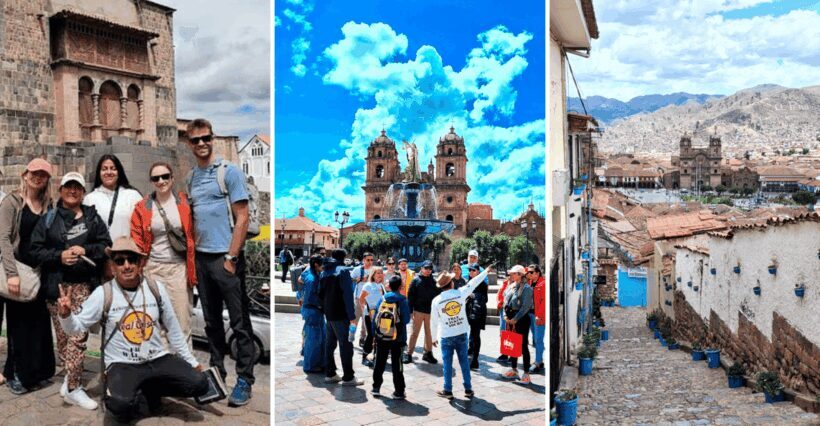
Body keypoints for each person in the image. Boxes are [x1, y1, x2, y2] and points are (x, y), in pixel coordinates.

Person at [56, 237, 208, 421]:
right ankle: (132, 392)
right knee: (120, 405)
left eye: (132, 260)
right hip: (122, 363)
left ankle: (149, 390)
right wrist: (65, 315)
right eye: (120, 261)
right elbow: (76, 328)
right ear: (112, 267)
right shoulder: (104, 293)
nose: (126, 266)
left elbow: (173, 330)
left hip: (157, 358)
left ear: (140, 263)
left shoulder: (155, 288)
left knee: (199, 383)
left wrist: (191, 362)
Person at [185, 118, 255, 406]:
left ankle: (245, 380)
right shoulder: (191, 178)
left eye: (206, 138)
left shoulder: (229, 172)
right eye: (196, 140)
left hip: (226, 258)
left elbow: (243, 216)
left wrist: (231, 257)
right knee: (212, 322)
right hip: (202, 259)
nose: (202, 143)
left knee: (240, 324)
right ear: (189, 144)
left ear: (212, 139)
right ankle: (217, 374)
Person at [31, 171, 112, 409]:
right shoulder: (49, 218)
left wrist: (85, 250)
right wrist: (59, 255)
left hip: (83, 285)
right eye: (68, 186)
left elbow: (105, 246)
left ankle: (74, 387)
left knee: (78, 337)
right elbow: (34, 251)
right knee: (65, 340)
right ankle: (70, 378)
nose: (72, 190)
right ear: (61, 190)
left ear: (82, 192)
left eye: (77, 186)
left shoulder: (92, 217)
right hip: (56, 285)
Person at [0, 158, 56, 395]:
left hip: (38, 273)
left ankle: (38, 372)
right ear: (25, 175)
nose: (38, 177)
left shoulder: (48, 204)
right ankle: (17, 374)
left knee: (39, 325)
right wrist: (12, 274)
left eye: (43, 174)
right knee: (18, 326)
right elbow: (3, 238)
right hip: (19, 271)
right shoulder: (12, 202)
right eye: (34, 173)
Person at [130, 162, 197, 352]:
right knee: (155, 325)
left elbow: (194, 233)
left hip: (178, 269)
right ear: (151, 181)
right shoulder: (142, 207)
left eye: (165, 176)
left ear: (172, 178)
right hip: (152, 269)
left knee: (182, 322)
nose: (161, 181)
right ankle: (163, 371)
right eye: (156, 178)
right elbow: (137, 241)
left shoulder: (185, 203)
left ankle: (185, 373)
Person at [430, 266, 491, 399]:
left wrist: (433, 337)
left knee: (447, 364)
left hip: (446, 335)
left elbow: (433, 321)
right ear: (451, 283)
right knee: (464, 361)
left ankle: (448, 389)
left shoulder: (436, 301)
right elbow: (474, 282)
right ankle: (468, 388)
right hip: (462, 333)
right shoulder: (460, 293)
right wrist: (486, 271)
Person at [84, 155, 142, 279]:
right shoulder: (90, 198)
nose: (109, 172)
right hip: (103, 259)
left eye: (113, 168)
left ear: (119, 171)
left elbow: (142, 227)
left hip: (128, 258)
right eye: (104, 169)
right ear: (99, 173)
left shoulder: (132, 195)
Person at [319, 248, 363, 386]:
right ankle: (348, 377)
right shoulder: (343, 271)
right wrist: (351, 316)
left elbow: (320, 294)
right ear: (344, 257)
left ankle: (330, 373)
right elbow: (347, 296)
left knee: (330, 344)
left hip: (329, 314)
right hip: (341, 314)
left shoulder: (324, 272)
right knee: (346, 345)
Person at [370, 275, 410, 399]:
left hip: (381, 336)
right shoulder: (402, 300)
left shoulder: (382, 298)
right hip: (397, 337)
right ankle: (399, 391)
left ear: (389, 286)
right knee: (396, 364)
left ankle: (376, 388)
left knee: (380, 361)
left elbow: (375, 317)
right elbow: (406, 320)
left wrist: (374, 335)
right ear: (400, 286)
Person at [501, 265, 533, 384]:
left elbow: (525, 306)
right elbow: (505, 302)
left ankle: (526, 372)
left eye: (514, 273)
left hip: (521, 319)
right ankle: (514, 369)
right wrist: (505, 315)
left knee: (523, 346)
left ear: (520, 275)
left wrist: (515, 319)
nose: (511, 275)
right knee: (512, 344)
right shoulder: (511, 286)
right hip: (510, 318)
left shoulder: (527, 289)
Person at [404, 260, 440, 364]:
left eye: (430, 269)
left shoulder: (434, 282)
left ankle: (428, 353)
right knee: (414, 333)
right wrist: (410, 311)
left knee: (429, 334)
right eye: (426, 268)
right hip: (418, 311)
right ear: (422, 268)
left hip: (430, 312)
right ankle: (409, 353)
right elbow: (410, 297)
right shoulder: (415, 281)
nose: (428, 270)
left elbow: (439, 296)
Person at [299, 255, 325, 373]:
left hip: (312, 310)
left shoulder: (310, 274)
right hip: (313, 310)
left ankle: (316, 362)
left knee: (317, 337)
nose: (323, 266)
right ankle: (309, 366)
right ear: (316, 265)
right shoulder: (312, 279)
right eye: (322, 264)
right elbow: (310, 297)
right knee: (313, 339)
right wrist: (321, 305)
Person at [358, 266, 385, 367]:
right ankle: (364, 356)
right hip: (369, 315)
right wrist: (365, 310)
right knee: (370, 335)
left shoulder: (381, 286)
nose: (380, 275)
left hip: (379, 315)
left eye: (381, 273)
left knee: (378, 336)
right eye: (378, 273)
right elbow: (361, 299)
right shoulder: (368, 285)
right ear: (373, 274)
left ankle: (375, 355)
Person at [465, 263, 488, 370]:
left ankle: (475, 360)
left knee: (476, 334)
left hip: (478, 313)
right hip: (469, 311)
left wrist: (474, 296)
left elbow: (486, 299)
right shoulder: (469, 282)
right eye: (470, 270)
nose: (471, 272)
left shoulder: (483, 284)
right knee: (471, 333)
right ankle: (470, 349)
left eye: (473, 270)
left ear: (478, 272)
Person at [351, 252, 374, 347]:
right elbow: (350, 279)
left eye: (372, 260)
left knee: (366, 321)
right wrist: (360, 279)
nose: (370, 262)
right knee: (354, 320)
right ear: (363, 260)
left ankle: (362, 338)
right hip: (358, 299)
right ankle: (350, 337)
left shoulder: (374, 270)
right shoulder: (357, 269)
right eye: (368, 260)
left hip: (369, 300)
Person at [528, 264, 546, 374]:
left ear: (537, 273)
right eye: (528, 272)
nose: (529, 274)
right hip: (530, 314)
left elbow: (544, 302)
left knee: (538, 339)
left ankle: (538, 361)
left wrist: (540, 316)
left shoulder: (543, 284)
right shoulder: (530, 283)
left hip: (537, 316)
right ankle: (539, 360)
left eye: (531, 272)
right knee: (534, 339)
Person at [496, 276, 511, 364]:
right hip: (503, 310)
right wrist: (499, 302)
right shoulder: (505, 284)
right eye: (509, 275)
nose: (510, 276)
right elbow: (499, 294)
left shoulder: (516, 285)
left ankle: (509, 354)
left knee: (509, 333)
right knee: (503, 332)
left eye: (512, 274)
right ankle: (505, 353)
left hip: (509, 311)